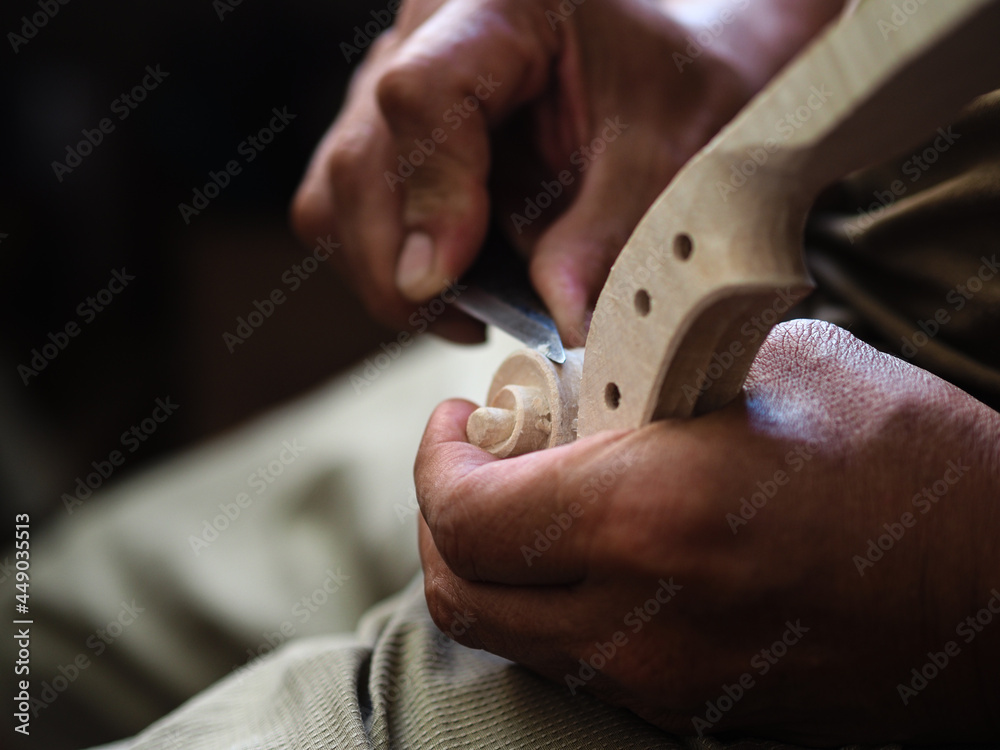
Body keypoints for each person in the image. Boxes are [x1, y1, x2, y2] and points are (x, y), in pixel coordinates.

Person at [23, 0, 997, 746]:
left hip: (900, 568)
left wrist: (953, 579)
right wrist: (725, 34)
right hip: (745, 319)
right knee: (37, 633)